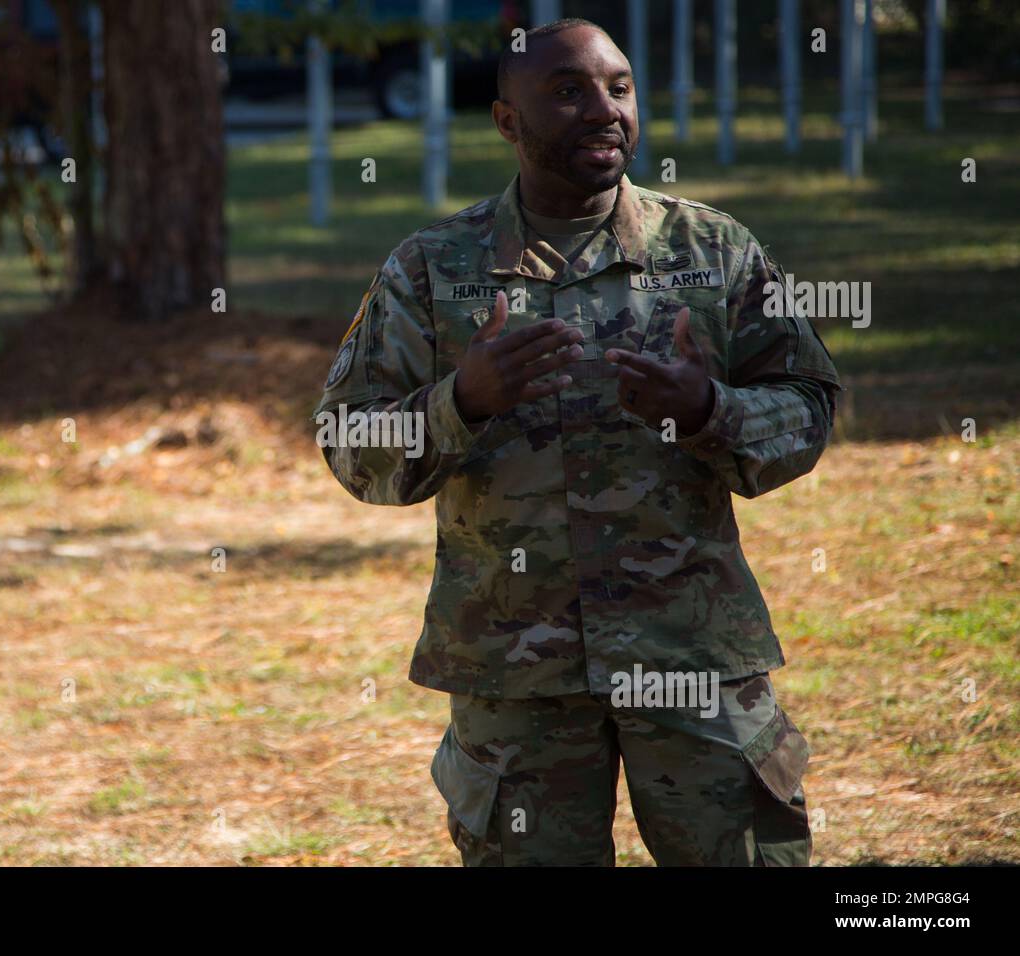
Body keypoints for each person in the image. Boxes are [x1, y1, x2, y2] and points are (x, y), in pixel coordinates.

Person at [313, 17, 842, 866]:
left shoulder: (714, 250)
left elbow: (809, 408)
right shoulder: (431, 269)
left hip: (692, 652)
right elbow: (349, 445)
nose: (604, 109)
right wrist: (462, 402)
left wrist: (711, 408)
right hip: (514, 669)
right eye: (569, 91)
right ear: (507, 122)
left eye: (620, 88)